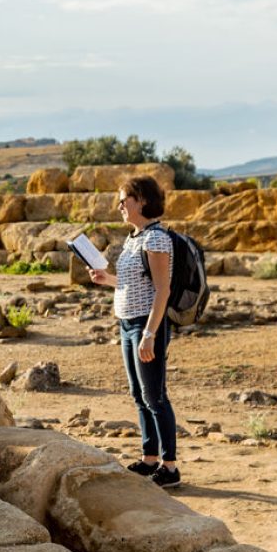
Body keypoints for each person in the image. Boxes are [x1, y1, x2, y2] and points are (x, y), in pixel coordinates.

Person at [87, 175, 181, 488]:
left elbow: (162, 290)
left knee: (155, 395)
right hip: (126, 322)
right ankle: (149, 458)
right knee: (139, 395)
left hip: (145, 323)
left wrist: (150, 333)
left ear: (141, 200)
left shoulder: (156, 239)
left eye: (123, 199)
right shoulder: (133, 238)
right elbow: (131, 283)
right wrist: (107, 280)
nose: (119, 206)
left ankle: (170, 467)